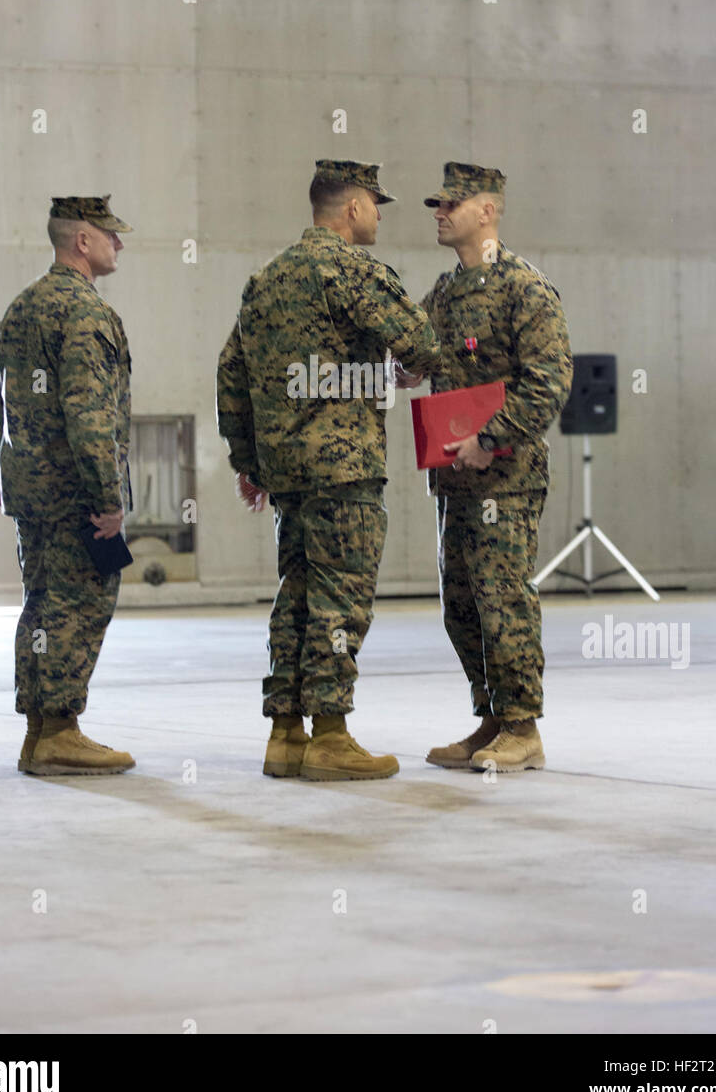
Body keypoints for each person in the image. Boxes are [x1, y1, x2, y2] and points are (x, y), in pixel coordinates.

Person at [217, 159, 442, 781]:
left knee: (296, 594)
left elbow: (231, 374)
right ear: (352, 208)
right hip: (345, 467)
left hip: (287, 473)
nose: (378, 215)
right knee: (340, 598)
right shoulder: (354, 270)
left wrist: (249, 461)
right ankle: (332, 736)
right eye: (376, 204)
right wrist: (407, 366)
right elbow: (421, 343)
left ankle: (285, 735)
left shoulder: (265, 279)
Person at [418, 163, 573, 773]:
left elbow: (549, 383)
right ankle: (489, 718)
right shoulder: (445, 292)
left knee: (502, 597)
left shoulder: (525, 290)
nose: (439, 212)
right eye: (436, 204)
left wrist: (492, 437)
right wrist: (407, 370)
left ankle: (523, 726)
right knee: (461, 603)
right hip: (455, 479)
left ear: (487, 211)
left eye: (451, 203)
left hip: (505, 477)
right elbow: (421, 354)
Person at [0, 195, 136, 776]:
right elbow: (89, 413)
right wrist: (107, 498)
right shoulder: (85, 313)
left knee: (42, 605)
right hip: (76, 494)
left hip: (32, 492)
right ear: (82, 240)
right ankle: (62, 732)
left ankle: (38, 732)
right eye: (110, 235)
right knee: (79, 605)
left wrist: (15, 470)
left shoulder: (20, 309)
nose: (117, 243)